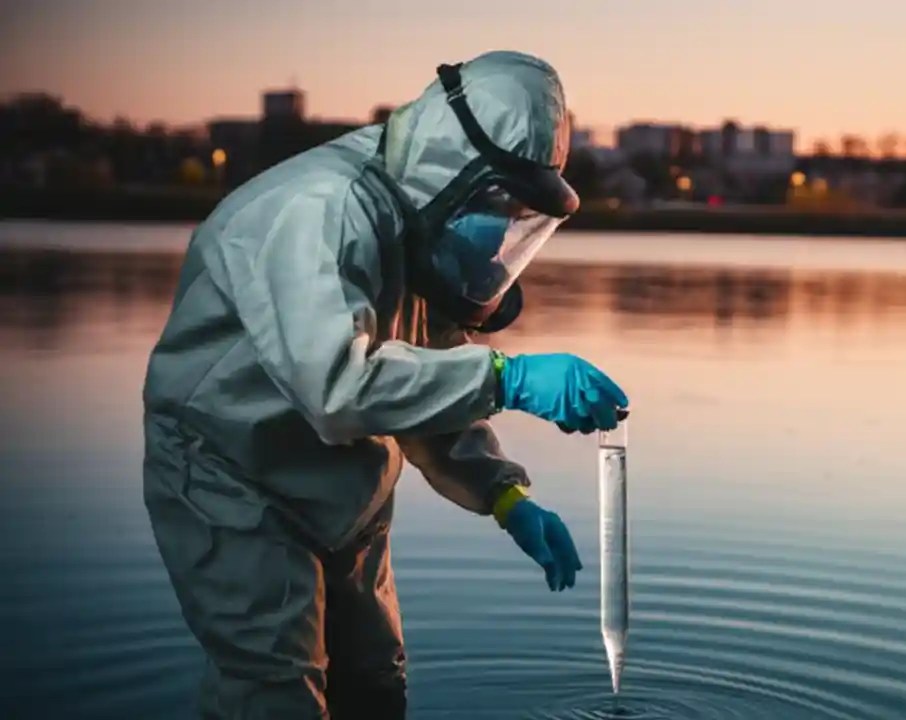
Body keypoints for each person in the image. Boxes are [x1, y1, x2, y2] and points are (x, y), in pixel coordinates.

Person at [141, 51, 627, 719]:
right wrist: (509, 378)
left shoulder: (420, 224)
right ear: (456, 161)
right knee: (276, 693)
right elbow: (339, 385)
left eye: (519, 209)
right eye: (502, 201)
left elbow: (422, 378)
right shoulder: (320, 209)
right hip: (230, 474)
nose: (503, 224)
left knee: (373, 685)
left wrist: (504, 494)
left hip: (345, 485)